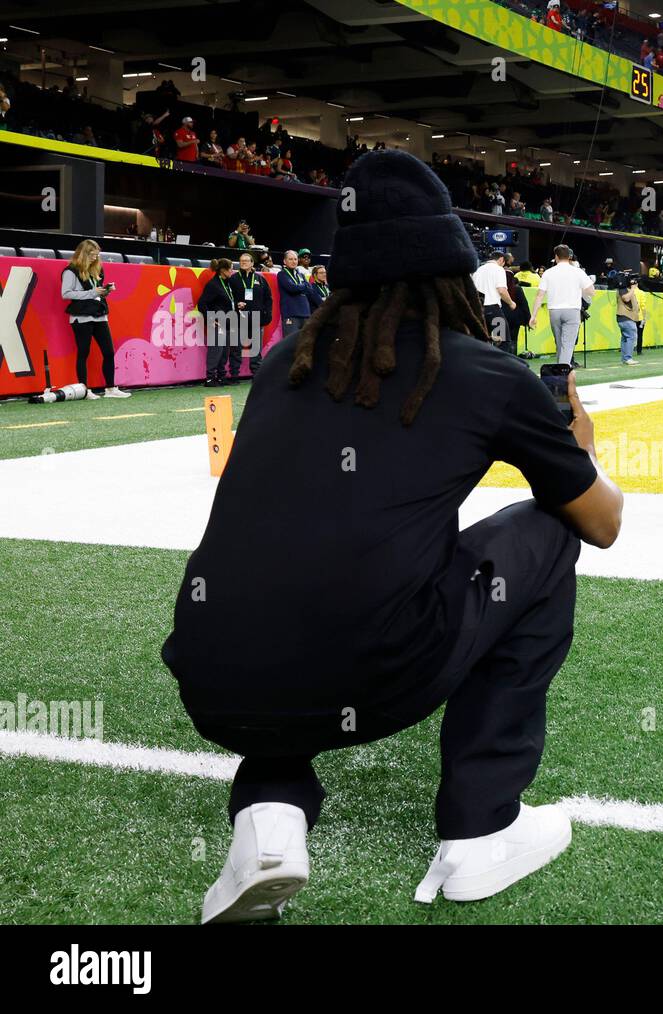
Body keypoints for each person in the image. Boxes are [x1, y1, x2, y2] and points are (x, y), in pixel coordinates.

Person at [161, 150, 624, 923]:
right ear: (453, 267)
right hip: (371, 672)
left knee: (304, 569)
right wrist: (577, 447)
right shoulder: (483, 372)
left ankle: (267, 819)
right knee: (546, 532)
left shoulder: (285, 366)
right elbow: (602, 522)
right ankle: (483, 826)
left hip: (212, 681)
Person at [61, 240, 129, 399]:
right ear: (83, 254)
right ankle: (84, 390)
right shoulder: (70, 271)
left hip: (99, 315)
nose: (95, 258)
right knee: (83, 353)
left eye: (97, 255)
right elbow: (66, 294)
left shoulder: (96, 269)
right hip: (81, 317)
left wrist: (105, 291)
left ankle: (111, 388)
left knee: (109, 352)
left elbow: (95, 291)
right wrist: (92, 293)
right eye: (92, 255)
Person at [529, 244, 594, 366]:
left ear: (556, 257)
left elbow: (539, 295)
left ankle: (559, 374)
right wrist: (578, 289)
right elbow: (591, 291)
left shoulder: (548, 273)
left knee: (560, 345)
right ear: (569, 257)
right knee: (567, 346)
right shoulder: (577, 272)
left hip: (554, 311)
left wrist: (533, 315)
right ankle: (562, 374)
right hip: (572, 310)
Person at [230, 250, 271, 381]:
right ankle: (234, 374)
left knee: (256, 349)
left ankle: (257, 375)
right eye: (241, 261)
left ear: (252, 263)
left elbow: (268, 299)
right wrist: (236, 304)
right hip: (239, 318)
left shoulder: (260, 279)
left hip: (256, 318)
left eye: (246, 261)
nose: (243, 263)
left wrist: (267, 314)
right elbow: (228, 297)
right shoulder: (234, 279)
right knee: (237, 348)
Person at [198, 258, 239, 386]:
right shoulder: (213, 284)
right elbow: (202, 304)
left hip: (227, 322)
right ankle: (210, 378)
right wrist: (210, 319)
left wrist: (237, 305)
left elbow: (227, 302)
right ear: (223, 270)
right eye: (231, 268)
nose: (232, 271)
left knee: (224, 351)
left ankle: (221, 376)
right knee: (215, 351)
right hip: (218, 322)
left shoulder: (227, 283)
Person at [471, 251, 514, 346]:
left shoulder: (478, 270)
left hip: (478, 311)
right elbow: (501, 290)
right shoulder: (498, 269)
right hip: (493, 310)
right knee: (503, 342)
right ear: (501, 259)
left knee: (482, 343)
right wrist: (511, 303)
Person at [277, 249, 312, 343]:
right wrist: (304, 286)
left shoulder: (300, 274)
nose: (293, 261)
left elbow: (310, 290)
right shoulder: (282, 274)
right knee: (290, 344)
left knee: (305, 344)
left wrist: (301, 287)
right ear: (285, 261)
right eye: (290, 259)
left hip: (305, 314)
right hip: (291, 314)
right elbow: (292, 288)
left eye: (295, 259)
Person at [616, 278, 639, 365]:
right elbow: (626, 299)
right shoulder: (623, 288)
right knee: (631, 337)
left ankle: (625, 359)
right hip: (626, 317)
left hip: (625, 317)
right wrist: (633, 288)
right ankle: (628, 358)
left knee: (625, 338)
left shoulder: (625, 289)